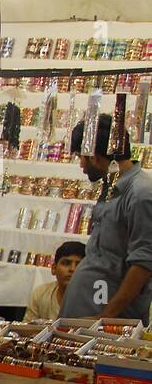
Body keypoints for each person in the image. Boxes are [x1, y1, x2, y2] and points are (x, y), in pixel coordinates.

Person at [60, 115, 152, 322]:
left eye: (80, 157)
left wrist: (106, 316)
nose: (81, 165)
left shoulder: (141, 194)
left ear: (94, 157)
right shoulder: (111, 186)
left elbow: (144, 263)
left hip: (104, 319)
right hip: (89, 309)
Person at [25, 241, 85, 321]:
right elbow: (27, 329)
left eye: (79, 265)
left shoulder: (94, 299)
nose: (72, 269)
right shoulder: (40, 293)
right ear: (54, 268)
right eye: (66, 263)